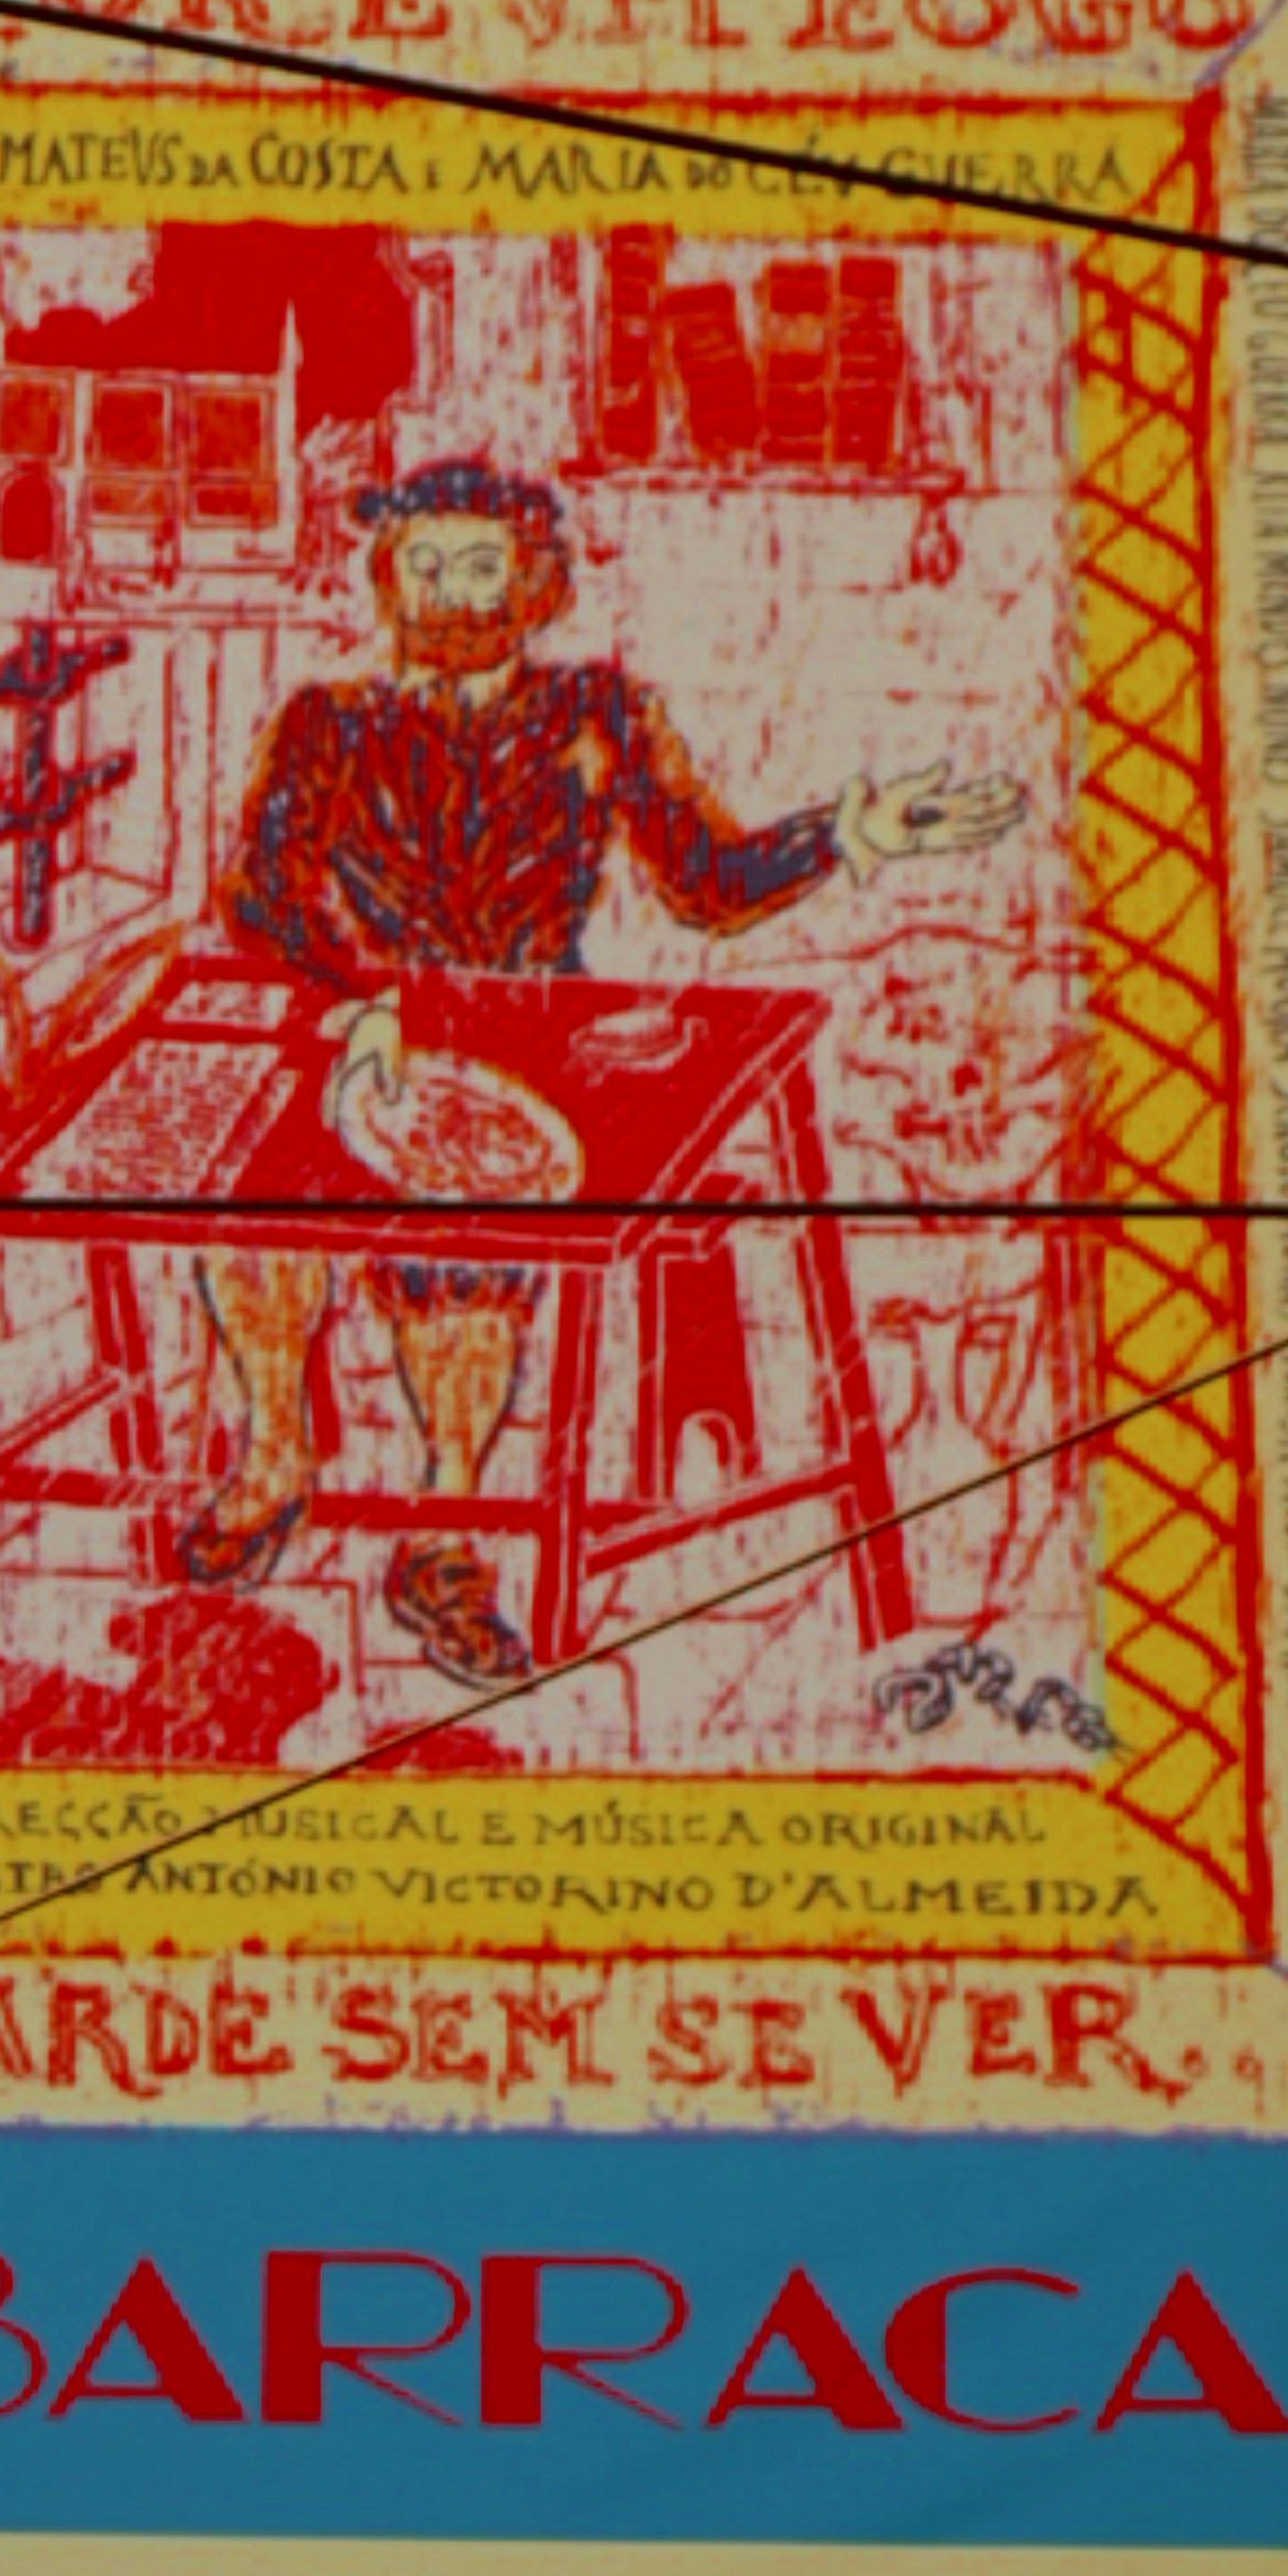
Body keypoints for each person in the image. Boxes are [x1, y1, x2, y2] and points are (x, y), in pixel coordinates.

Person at [178, 449, 1024, 1679]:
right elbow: (259, 897)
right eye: (426, 565)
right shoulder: (328, 725)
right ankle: (274, 1458)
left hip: (533, 1051)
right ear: (387, 580)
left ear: (535, 586)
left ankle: (446, 1536)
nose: (451, 594)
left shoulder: (595, 713)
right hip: (358, 1031)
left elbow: (706, 883)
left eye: (480, 567)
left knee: (465, 1276)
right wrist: (361, 997)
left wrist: (843, 836)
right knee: (250, 1217)